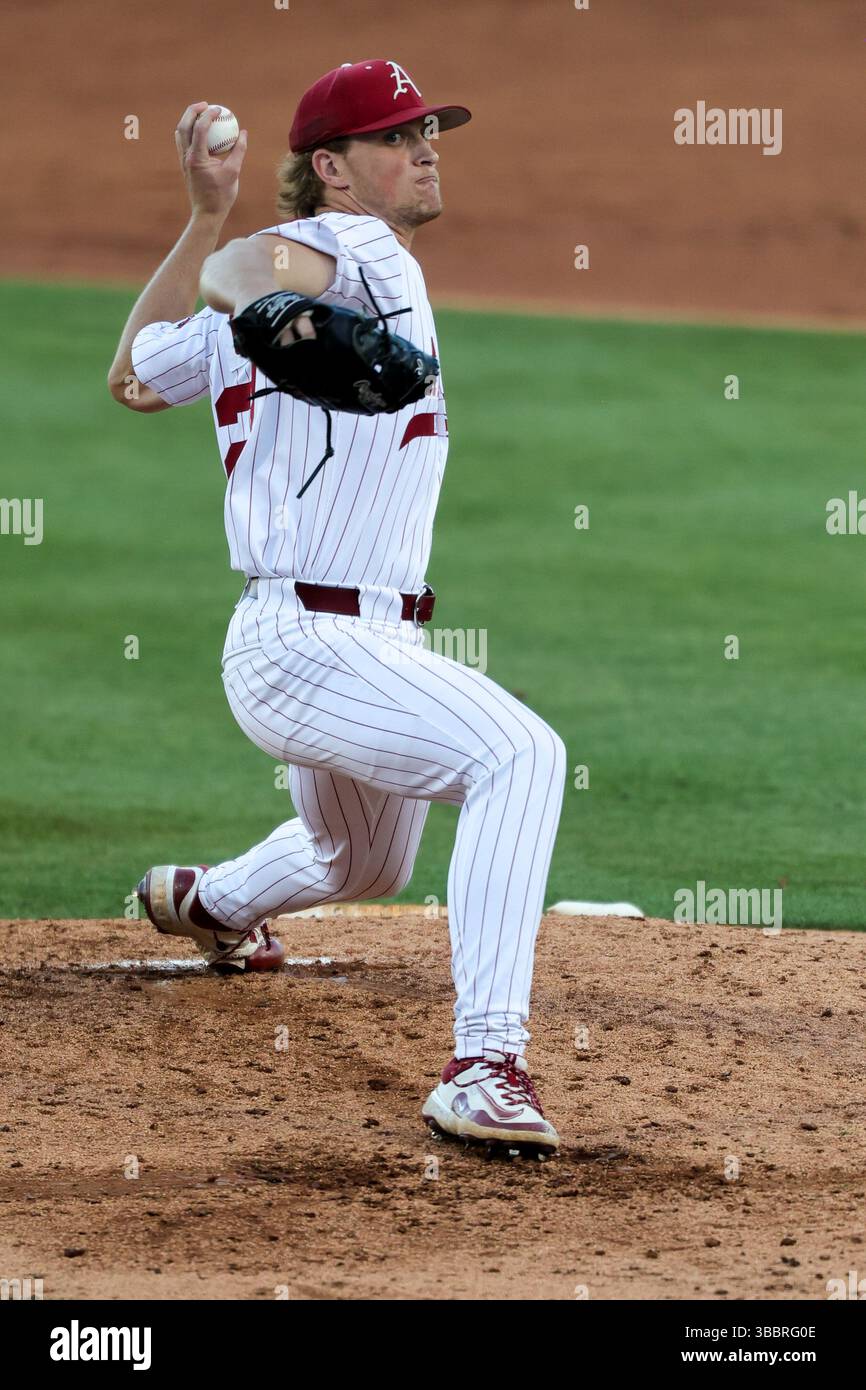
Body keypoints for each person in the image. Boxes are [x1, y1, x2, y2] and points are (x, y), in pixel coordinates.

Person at [107, 60, 566, 1155]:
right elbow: (241, 269)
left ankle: (212, 904)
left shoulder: (299, 289)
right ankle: (483, 1064)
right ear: (332, 169)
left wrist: (206, 219)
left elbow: (130, 372)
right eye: (398, 134)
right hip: (308, 637)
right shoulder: (353, 248)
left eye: (430, 129)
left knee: (366, 864)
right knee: (521, 757)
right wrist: (228, 241)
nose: (426, 145)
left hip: (336, 639)